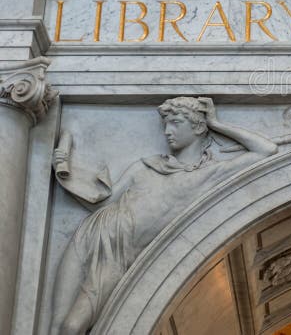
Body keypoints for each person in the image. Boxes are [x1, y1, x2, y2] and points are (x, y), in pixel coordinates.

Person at [50, 97, 278, 335]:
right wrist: (65, 174)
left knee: (71, 327)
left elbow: (266, 151)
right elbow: (102, 202)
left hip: (118, 257)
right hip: (91, 233)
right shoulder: (146, 166)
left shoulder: (208, 176)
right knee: (54, 327)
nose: (167, 131)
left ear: (199, 127)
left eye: (176, 123)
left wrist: (217, 124)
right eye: (165, 124)